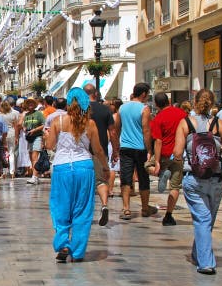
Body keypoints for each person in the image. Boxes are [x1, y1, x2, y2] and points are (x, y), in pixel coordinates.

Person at [172, 89, 222, 275]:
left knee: (203, 219)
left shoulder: (185, 123)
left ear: (195, 102)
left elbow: (177, 153)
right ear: (213, 103)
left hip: (194, 178)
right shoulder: (219, 124)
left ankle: (205, 263)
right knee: (207, 219)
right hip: (217, 179)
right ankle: (199, 253)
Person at [45, 88, 109, 263]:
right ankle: (78, 251)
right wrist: (105, 166)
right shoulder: (90, 124)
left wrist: (47, 137)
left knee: (60, 206)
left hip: (62, 167)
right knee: (82, 209)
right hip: (84, 167)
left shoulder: (58, 121)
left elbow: (50, 146)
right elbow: (98, 150)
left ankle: (63, 243)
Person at [117, 83, 155, 221]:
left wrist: (117, 147)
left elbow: (117, 128)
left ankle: (126, 208)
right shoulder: (144, 109)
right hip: (140, 148)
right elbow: (146, 130)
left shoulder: (122, 108)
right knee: (144, 178)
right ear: (143, 94)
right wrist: (149, 149)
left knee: (126, 178)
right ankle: (145, 208)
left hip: (125, 148)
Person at [151, 92, 188, 227]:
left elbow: (158, 141)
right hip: (178, 154)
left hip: (164, 153)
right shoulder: (182, 114)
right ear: (168, 101)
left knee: (146, 166)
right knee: (175, 186)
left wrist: (156, 161)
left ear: (156, 104)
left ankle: (161, 173)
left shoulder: (158, 118)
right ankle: (168, 215)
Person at [83, 84, 118, 227]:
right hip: (101, 150)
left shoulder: (81, 110)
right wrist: (116, 149)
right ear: (95, 94)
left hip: (83, 151)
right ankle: (104, 205)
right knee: (100, 181)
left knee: (85, 184)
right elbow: (113, 132)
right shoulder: (105, 109)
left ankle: (85, 213)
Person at [22, 98, 46, 185]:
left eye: (32, 103)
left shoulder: (39, 114)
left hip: (37, 136)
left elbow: (44, 124)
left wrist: (35, 130)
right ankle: (35, 175)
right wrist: (24, 128)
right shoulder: (26, 115)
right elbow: (24, 125)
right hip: (29, 138)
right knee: (31, 156)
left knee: (34, 156)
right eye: (28, 103)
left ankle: (34, 177)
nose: (30, 104)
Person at [0, 101, 20, 179]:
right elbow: (16, 126)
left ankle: (4, 172)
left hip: (3, 134)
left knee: (4, 154)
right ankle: (12, 172)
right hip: (12, 133)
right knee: (11, 153)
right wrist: (17, 137)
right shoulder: (14, 113)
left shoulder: (0, 115)